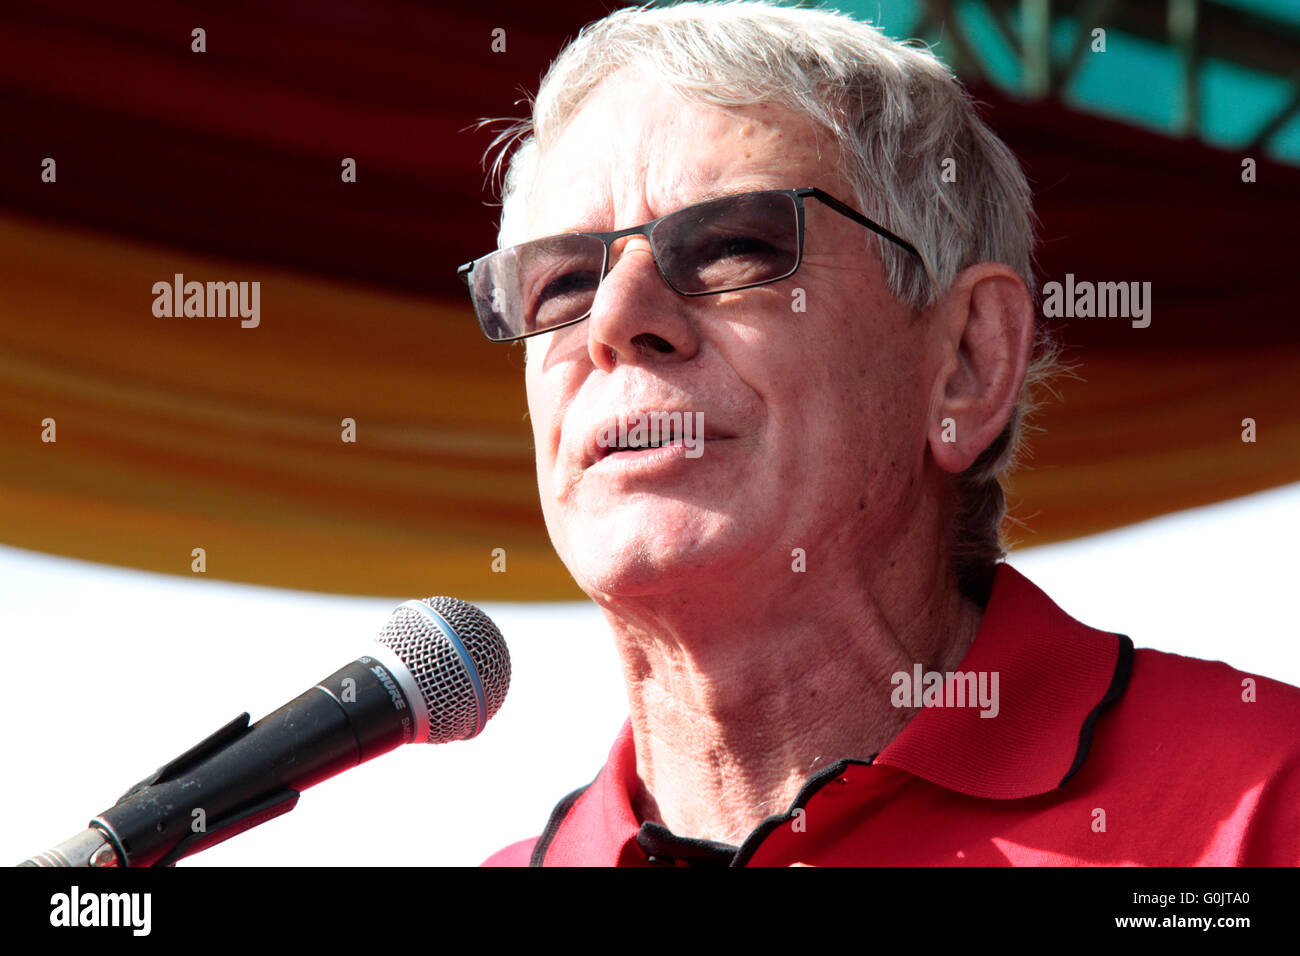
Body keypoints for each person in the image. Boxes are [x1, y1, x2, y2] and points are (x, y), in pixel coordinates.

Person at [457, 1, 1300, 866]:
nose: (617, 320)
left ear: (967, 361)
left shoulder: (1266, 806)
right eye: (561, 284)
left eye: (734, 247)